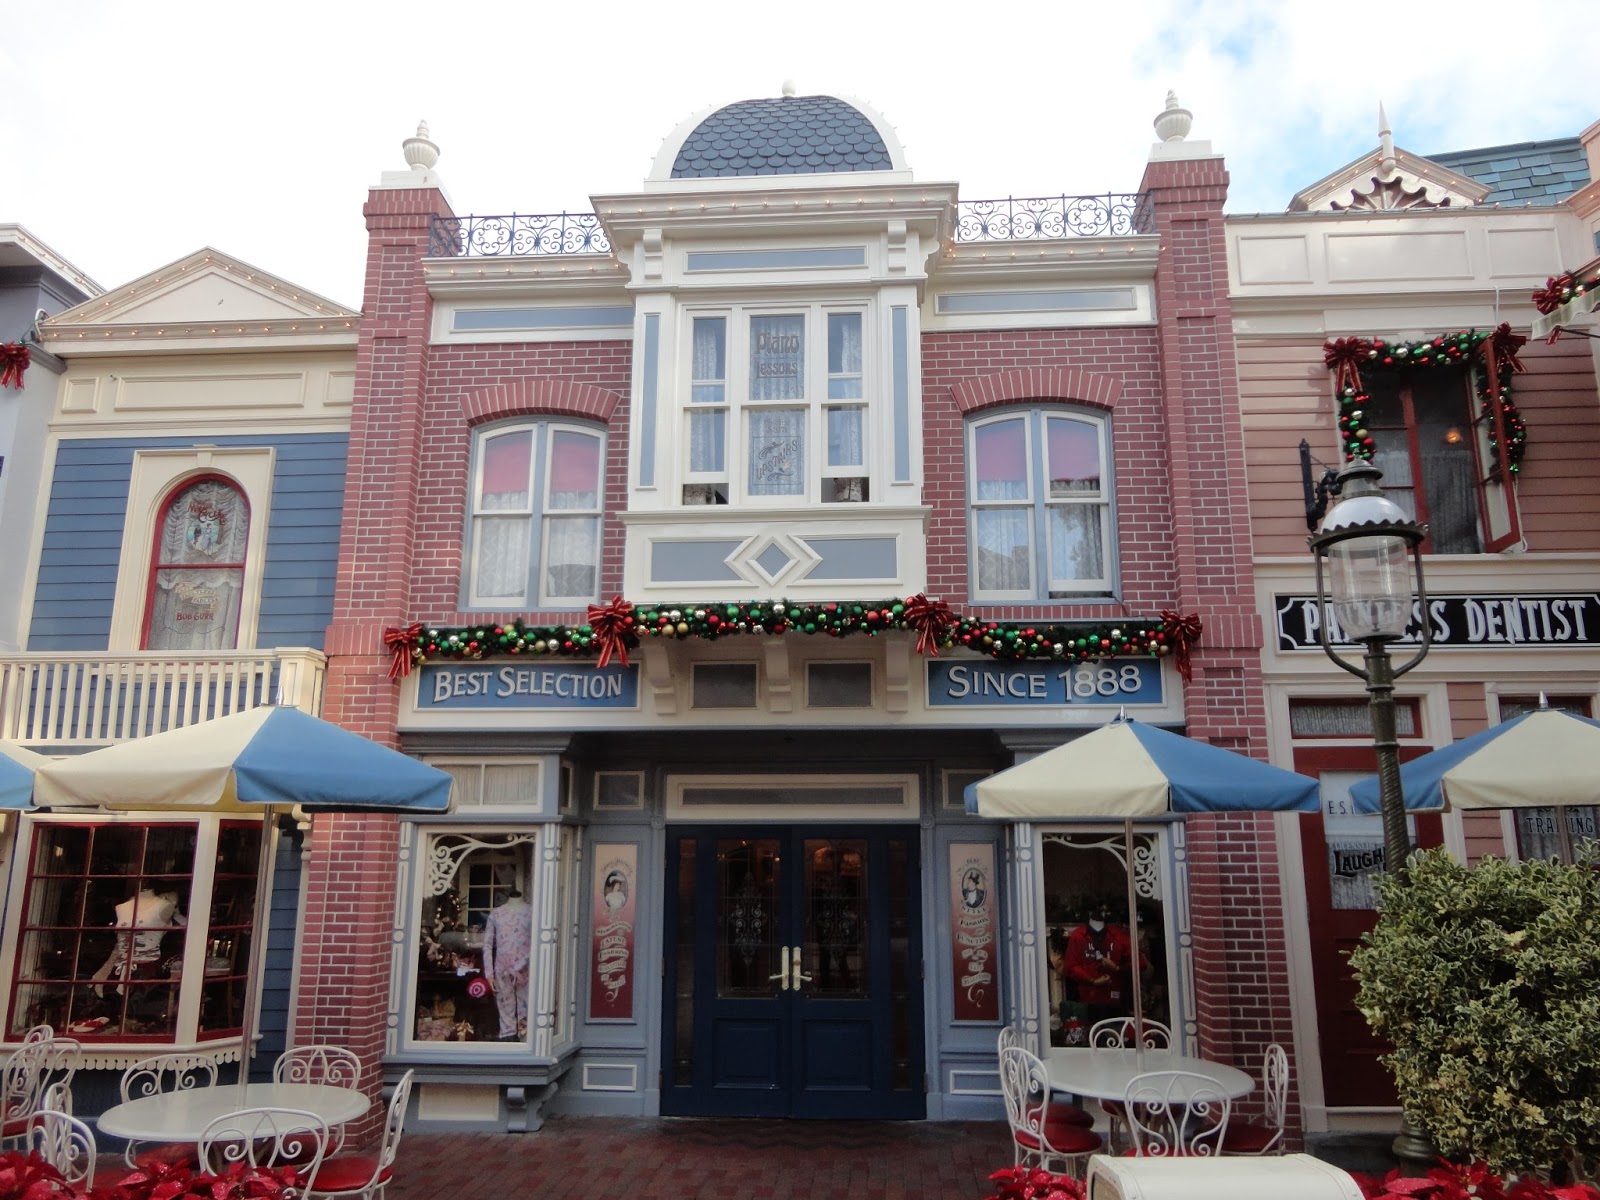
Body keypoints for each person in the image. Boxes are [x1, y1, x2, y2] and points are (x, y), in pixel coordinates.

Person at [91, 887, 186, 997]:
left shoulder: (165, 908)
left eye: (174, 901)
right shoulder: (121, 907)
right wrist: (104, 971)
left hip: (147, 970)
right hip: (119, 971)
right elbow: (120, 945)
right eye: (169, 897)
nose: (172, 902)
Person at [1062, 904, 1134, 1026]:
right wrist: (1093, 980)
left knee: (1116, 1032)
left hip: (1116, 998)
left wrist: (1117, 968)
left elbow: (1139, 963)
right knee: (1091, 1030)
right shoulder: (1078, 936)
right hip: (1088, 999)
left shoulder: (1119, 935)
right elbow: (1071, 966)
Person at [480, 888, 532, 1041]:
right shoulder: (496, 914)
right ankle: (508, 1043)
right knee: (506, 1012)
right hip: (502, 971)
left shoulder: (532, 912)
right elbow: (488, 944)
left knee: (526, 1009)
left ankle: (526, 1043)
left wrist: (522, 964)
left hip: (526, 970)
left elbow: (537, 942)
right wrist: (489, 973)